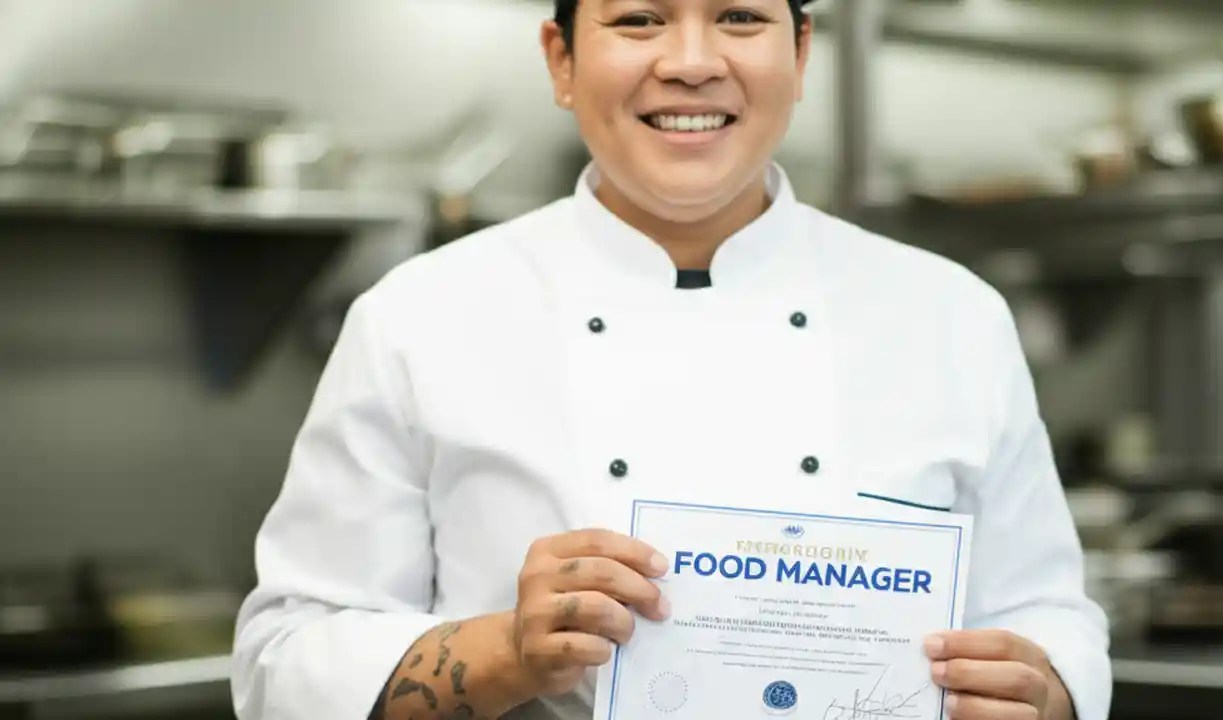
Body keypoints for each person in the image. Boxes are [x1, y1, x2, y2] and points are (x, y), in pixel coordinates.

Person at [231, 1, 1111, 719]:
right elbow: (284, 665)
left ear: (801, 55)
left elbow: (1046, 613)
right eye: (640, 19)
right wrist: (507, 651)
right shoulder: (418, 317)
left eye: (737, 17)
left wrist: (1048, 690)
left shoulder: (951, 314)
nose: (691, 61)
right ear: (561, 60)